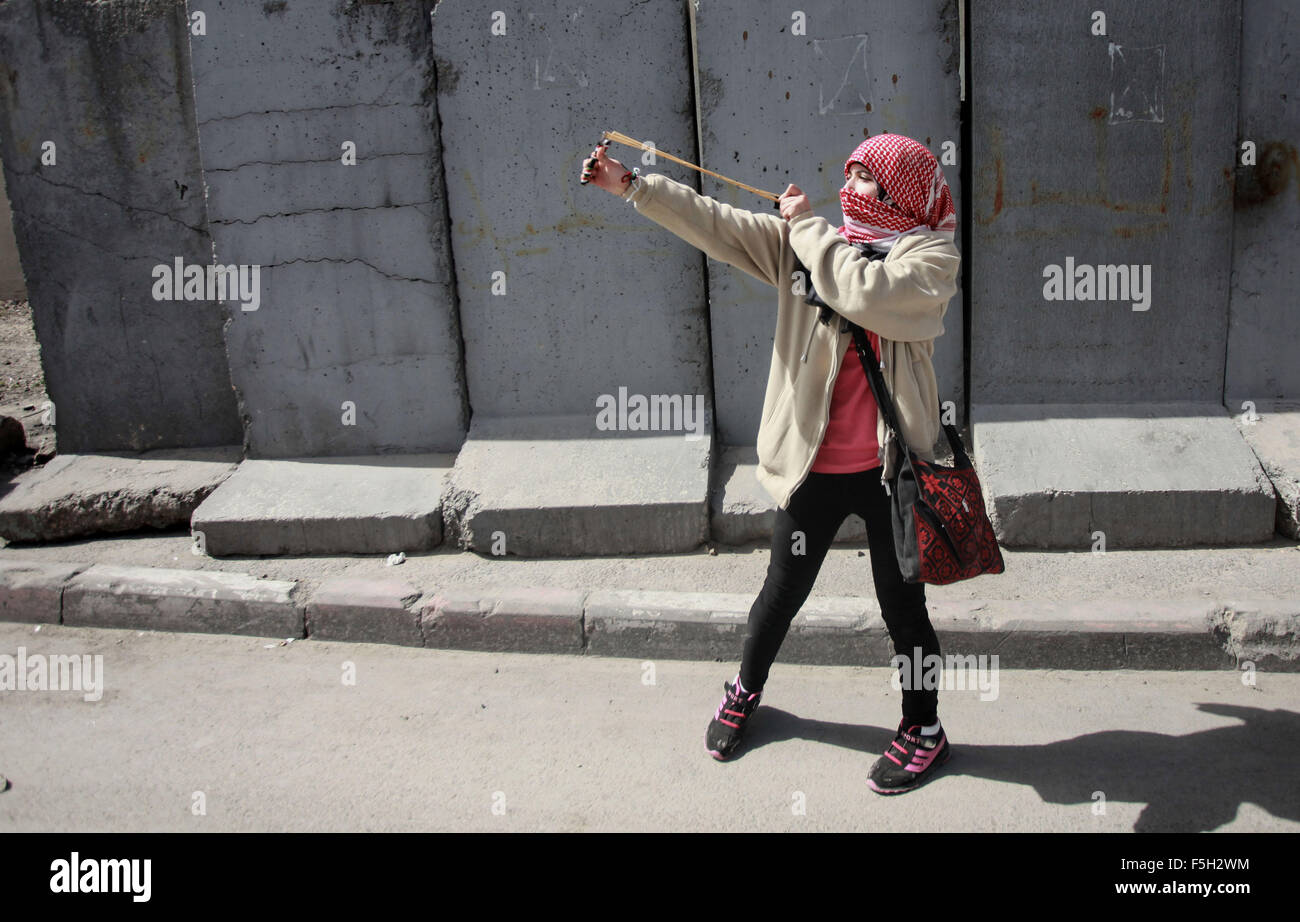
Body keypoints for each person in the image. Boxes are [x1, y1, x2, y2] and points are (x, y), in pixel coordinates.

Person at [581, 133, 961, 794]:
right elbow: (719, 226)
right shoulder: (805, 245)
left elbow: (863, 291)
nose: (850, 189)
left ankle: (923, 728)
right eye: (847, 174)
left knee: (904, 611)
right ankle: (745, 691)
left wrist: (809, 230)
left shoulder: (928, 256)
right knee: (779, 596)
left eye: (866, 180)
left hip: (890, 472)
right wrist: (635, 186)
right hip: (811, 468)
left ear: (902, 192)